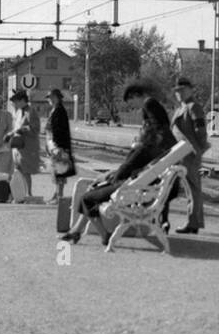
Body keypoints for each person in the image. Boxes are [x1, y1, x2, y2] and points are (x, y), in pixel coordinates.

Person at [61, 84, 171, 246]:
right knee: (94, 191)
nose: (133, 107)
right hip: (139, 186)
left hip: (129, 189)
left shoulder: (147, 144)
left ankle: (101, 234)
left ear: (135, 95)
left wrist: (112, 175)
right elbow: (133, 166)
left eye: (131, 102)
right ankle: (77, 232)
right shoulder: (156, 149)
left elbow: (128, 169)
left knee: (89, 196)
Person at [170, 77, 209, 234]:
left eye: (182, 90)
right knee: (189, 189)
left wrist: (197, 150)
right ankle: (193, 222)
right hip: (181, 153)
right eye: (177, 91)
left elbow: (201, 131)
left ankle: (194, 223)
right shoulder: (181, 108)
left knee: (193, 189)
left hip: (190, 154)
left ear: (190, 90)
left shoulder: (194, 107)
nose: (179, 93)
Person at [9, 90, 42, 202]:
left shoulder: (31, 112)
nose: (14, 104)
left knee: (26, 170)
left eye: (16, 102)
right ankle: (19, 193)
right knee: (18, 169)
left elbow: (35, 129)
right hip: (18, 146)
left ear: (22, 100)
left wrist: (22, 129)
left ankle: (29, 193)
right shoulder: (18, 112)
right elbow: (15, 127)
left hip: (28, 145)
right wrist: (10, 134)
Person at [45, 89, 76, 203]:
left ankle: (60, 196)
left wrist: (58, 146)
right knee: (55, 170)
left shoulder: (60, 110)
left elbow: (59, 130)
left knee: (60, 171)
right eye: (49, 97)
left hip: (59, 145)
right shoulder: (54, 110)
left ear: (58, 98)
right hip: (53, 144)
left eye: (53, 97)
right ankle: (56, 193)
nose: (50, 99)